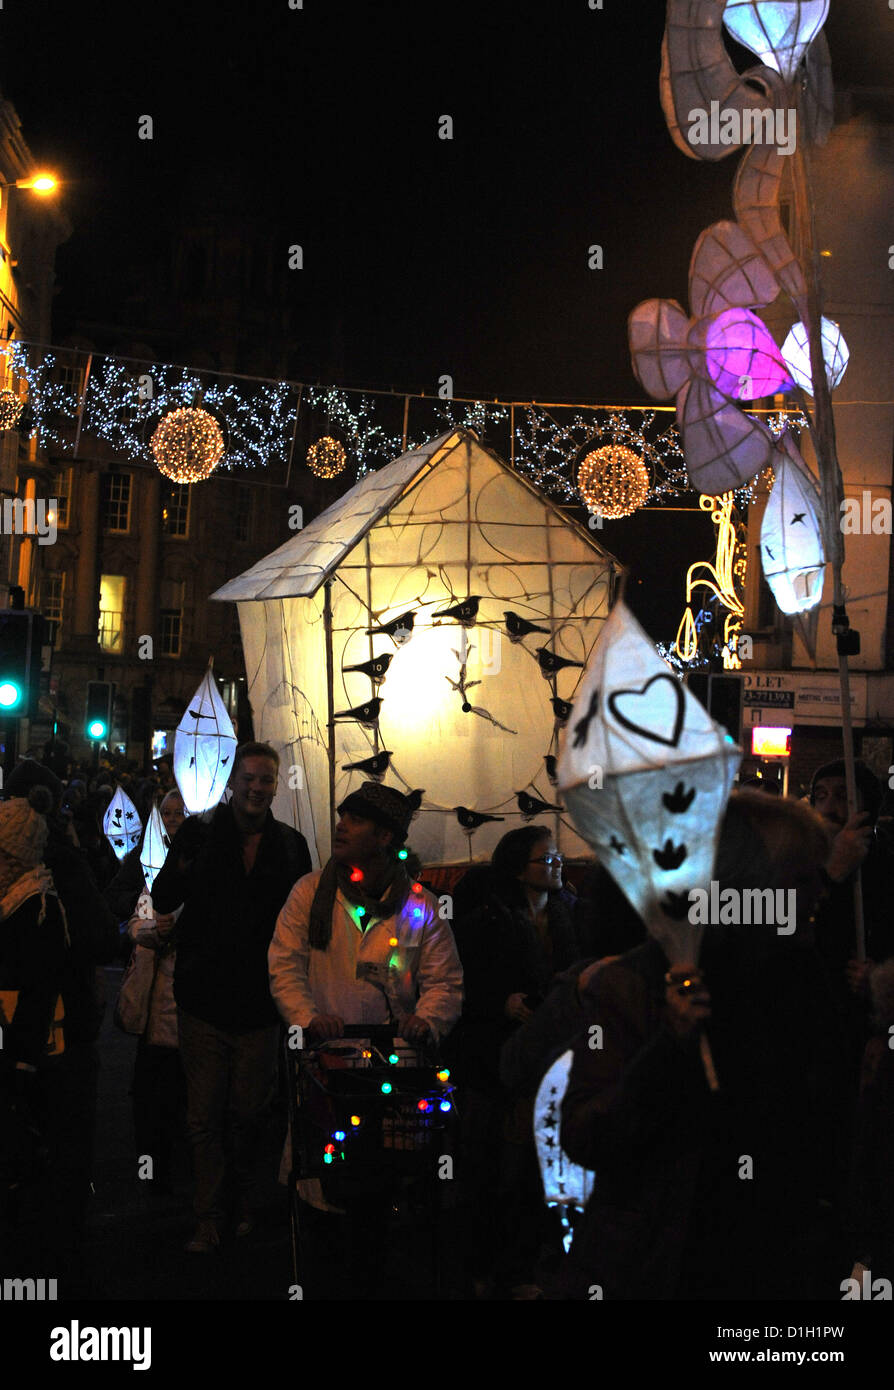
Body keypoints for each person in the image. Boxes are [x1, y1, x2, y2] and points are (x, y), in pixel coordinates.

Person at [559, 791, 848, 1301]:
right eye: (801, 878)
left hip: (770, 1265)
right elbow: (587, 1136)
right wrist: (670, 1047)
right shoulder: (637, 985)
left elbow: (822, 1122)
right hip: (661, 1262)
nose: (817, 893)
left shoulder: (801, 980)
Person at [268, 781, 463, 1296]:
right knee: (324, 1175)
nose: (341, 827)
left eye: (354, 821)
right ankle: (328, 1268)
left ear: (383, 837)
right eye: (342, 817)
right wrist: (308, 1017)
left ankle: (372, 1270)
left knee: (382, 1176)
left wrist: (426, 1020)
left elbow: (444, 981)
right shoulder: (310, 893)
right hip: (328, 1063)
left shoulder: (419, 905)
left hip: (390, 1069)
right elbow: (285, 964)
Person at [151, 742, 311, 1253]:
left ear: (276, 784)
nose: (258, 788)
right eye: (250, 778)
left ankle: (243, 1202)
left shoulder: (291, 845)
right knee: (202, 1116)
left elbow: (303, 924)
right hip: (203, 999)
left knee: (249, 1113)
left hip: (261, 1005)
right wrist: (183, 862)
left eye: (267, 780)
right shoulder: (199, 833)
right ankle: (208, 1216)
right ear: (232, 780)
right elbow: (162, 899)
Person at [452, 825, 587, 1298]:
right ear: (516, 867)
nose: (556, 866)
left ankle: (524, 1265)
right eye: (545, 859)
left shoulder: (571, 913)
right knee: (490, 1165)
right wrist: (501, 1003)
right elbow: (459, 986)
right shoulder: (487, 920)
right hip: (495, 1056)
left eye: (557, 858)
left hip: (552, 1054)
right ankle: (482, 1265)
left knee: (534, 1166)